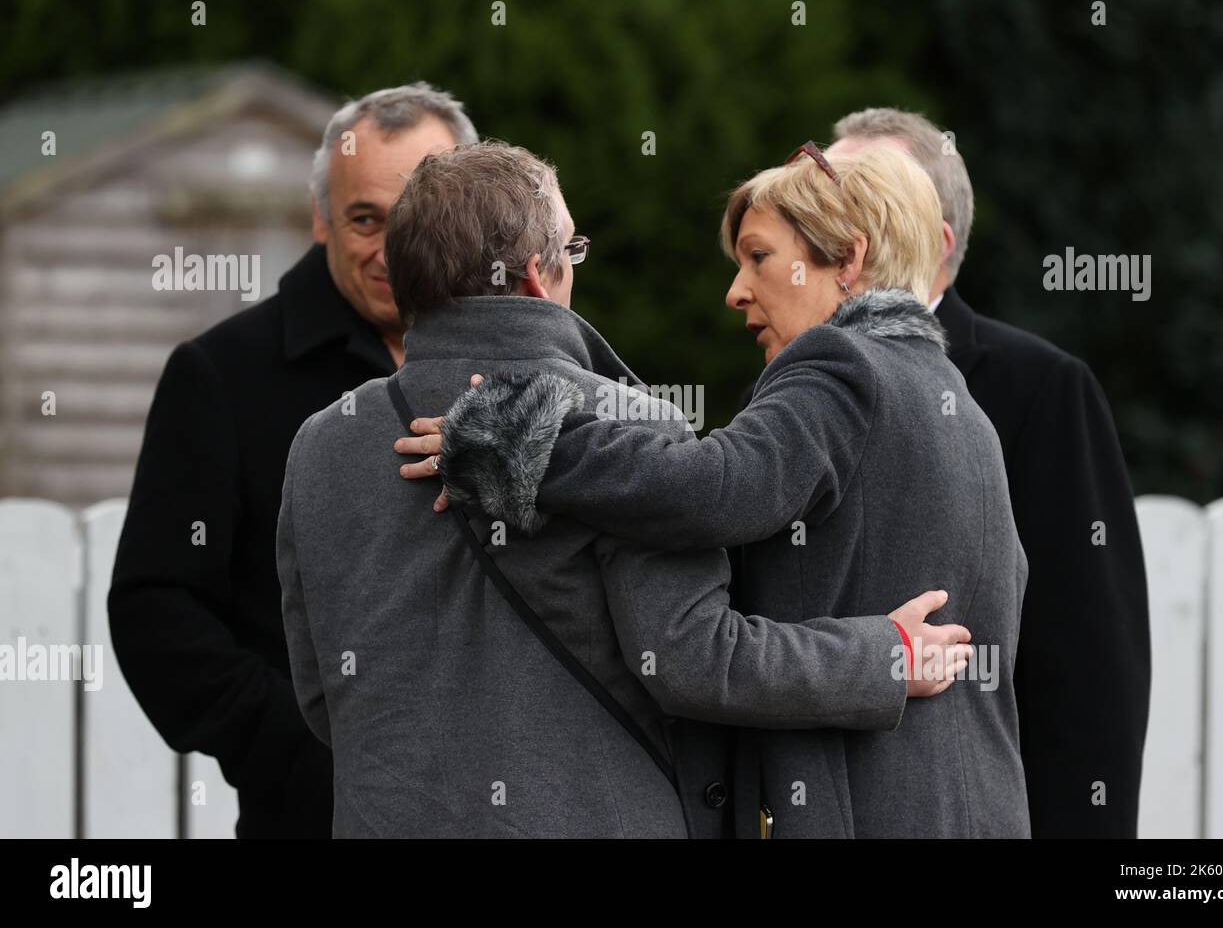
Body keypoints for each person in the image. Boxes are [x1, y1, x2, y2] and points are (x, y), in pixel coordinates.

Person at [278, 140, 973, 839]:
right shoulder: (628, 423)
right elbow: (694, 664)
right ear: (534, 277)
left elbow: (319, 695)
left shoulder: (320, 443)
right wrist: (876, 657)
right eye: (572, 252)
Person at [108, 83, 478, 838]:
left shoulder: (521, 363)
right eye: (365, 220)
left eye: (415, 219)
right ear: (320, 218)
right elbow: (156, 613)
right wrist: (300, 751)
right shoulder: (222, 375)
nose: (391, 250)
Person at [828, 108, 1151, 838]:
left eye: (853, 206)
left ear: (936, 243)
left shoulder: (1037, 388)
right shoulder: (794, 380)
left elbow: (1088, 666)